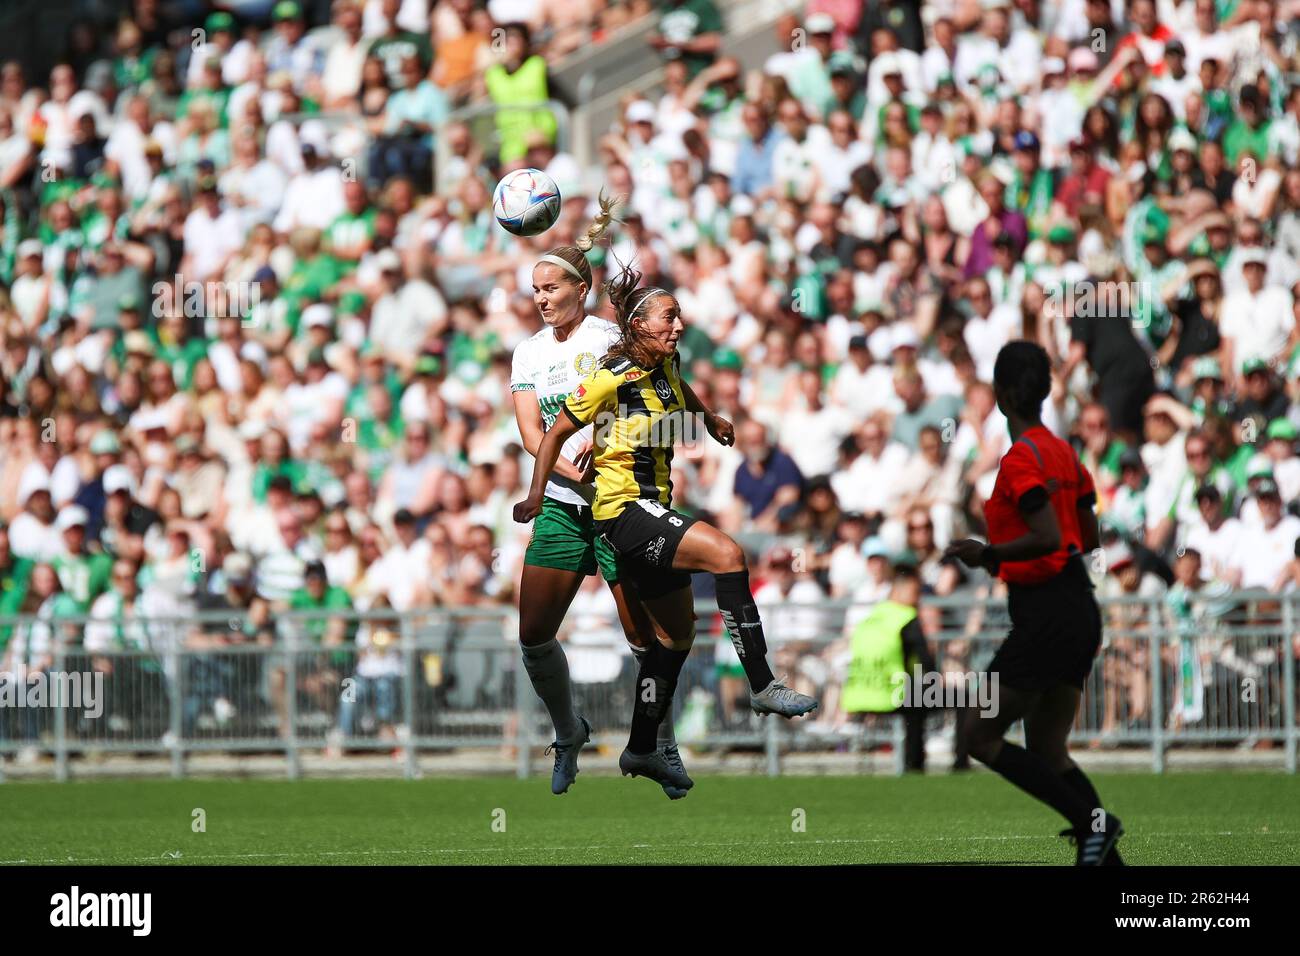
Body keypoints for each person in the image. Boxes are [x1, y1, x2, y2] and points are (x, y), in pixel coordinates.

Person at [514, 257, 819, 796]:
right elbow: (551, 432)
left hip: (641, 505)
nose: (679, 326)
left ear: (578, 290)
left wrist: (709, 418)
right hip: (619, 509)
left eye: (550, 285)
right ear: (641, 325)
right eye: (670, 317)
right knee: (726, 555)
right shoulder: (606, 369)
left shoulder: (658, 359)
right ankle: (761, 684)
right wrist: (538, 493)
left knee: (670, 640)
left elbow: (679, 389)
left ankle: (644, 747)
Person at [509, 193, 683, 797]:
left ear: (580, 289)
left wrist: (604, 453)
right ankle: (568, 731)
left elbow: (655, 407)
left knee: (645, 640)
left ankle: (660, 742)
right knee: (533, 635)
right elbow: (535, 435)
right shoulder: (528, 353)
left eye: (551, 286)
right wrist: (568, 477)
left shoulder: (612, 337)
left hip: (619, 506)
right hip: (563, 503)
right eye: (535, 289)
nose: (541, 297)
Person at [943, 340, 1124, 866]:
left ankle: (1097, 824)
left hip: (1045, 611)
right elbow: (1086, 535)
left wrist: (989, 554)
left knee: (979, 732)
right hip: (1078, 606)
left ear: (1000, 395)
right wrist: (1002, 541)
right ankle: (1110, 864)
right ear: (1044, 391)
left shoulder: (1021, 458)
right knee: (1049, 749)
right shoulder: (1064, 451)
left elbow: (1048, 535)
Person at [841, 563, 934, 771]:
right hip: (892, 694)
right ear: (900, 590)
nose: (919, 598)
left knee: (916, 699)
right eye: (915, 592)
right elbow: (926, 662)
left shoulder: (872, 616)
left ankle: (911, 764)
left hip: (859, 694)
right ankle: (924, 766)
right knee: (962, 699)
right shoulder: (906, 617)